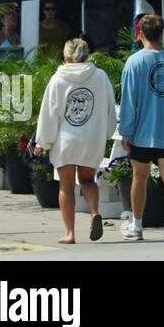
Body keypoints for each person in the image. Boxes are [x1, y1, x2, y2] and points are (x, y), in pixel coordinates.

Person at [33, 38, 117, 245]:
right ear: (88, 54)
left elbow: (49, 113)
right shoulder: (100, 76)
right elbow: (110, 107)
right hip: (91, 138)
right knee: (88, 181)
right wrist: (107, 133)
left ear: (65, 55)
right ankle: (95, 212)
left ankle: (70, 233)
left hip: (66, 140)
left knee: (66, 186)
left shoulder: (58, 79)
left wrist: (42, 142)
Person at [118, 14, 164, 243]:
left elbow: (129, 101)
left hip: (142, 132)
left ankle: (137, 225)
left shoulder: (134, 62)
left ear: (140, 34)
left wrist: (126, 132)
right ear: (162, 34)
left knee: (139, 178)